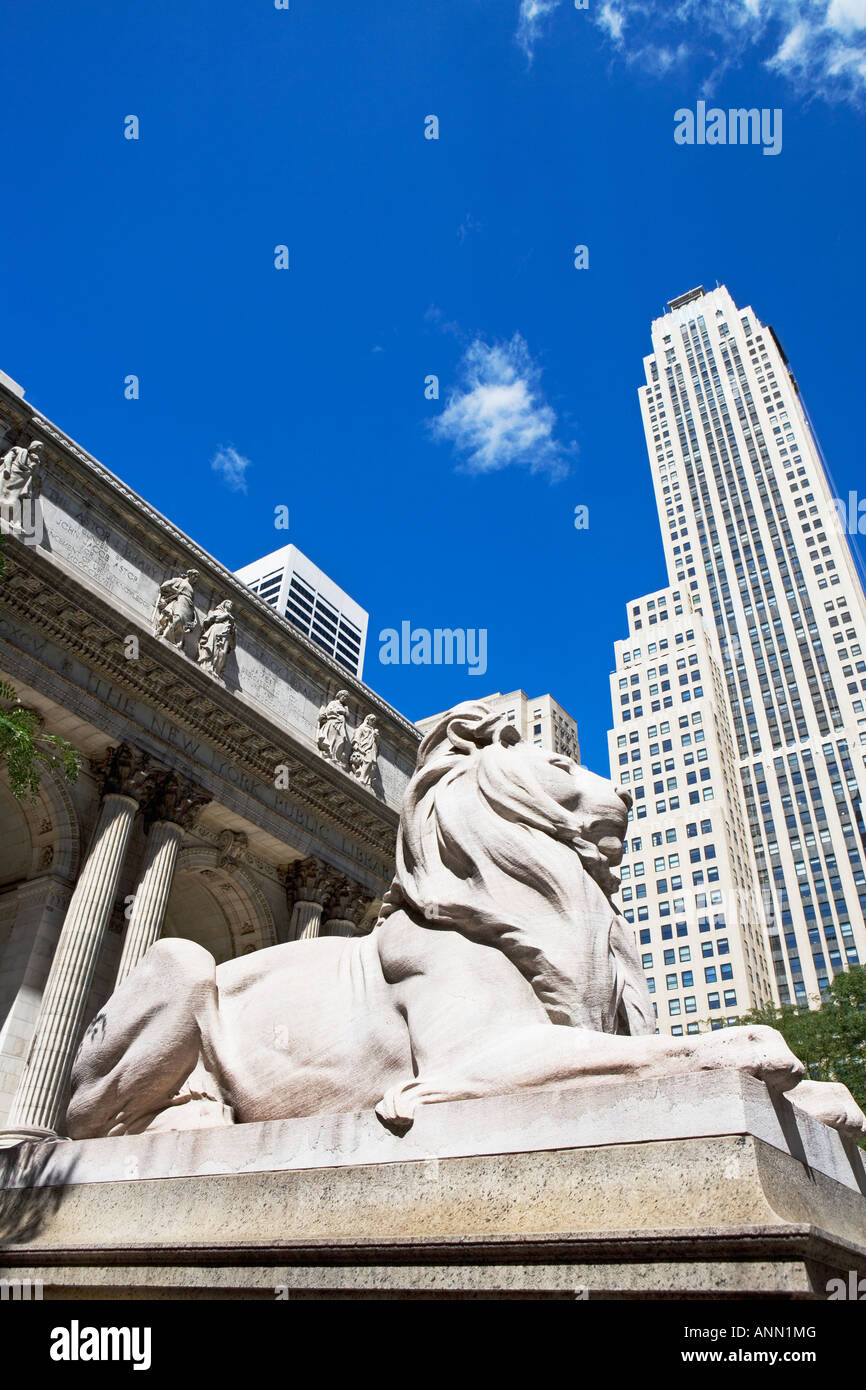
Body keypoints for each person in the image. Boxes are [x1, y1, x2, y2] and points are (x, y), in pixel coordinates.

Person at [153, 570, 199, 646]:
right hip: (179, 602)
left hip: (188, 607)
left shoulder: (191, 589)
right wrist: (176, 591)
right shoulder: (179, 580)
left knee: (182, 624)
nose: (196, 579)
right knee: (177, 618)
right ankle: (165, 635)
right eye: (195, 576)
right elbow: (164, 585)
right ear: (190, 574)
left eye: (197, 577)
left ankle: (174, 639)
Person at [197, 599, 236, 680]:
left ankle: (216, 670)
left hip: (225, 637)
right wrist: (226, 615)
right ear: (224, 603)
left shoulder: (232, 618)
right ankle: (208, 665)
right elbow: (215, 619)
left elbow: (233, 634)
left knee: (222, 653)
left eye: (232, 604)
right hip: (216, 630)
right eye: (229, 603)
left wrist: (232, 624)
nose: (230, 605)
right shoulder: (219, 611)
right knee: (213, 648)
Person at [317, 689, 350, 766]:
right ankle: (329, 753)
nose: (344, 698)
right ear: (339, 695)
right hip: (333, 723)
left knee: (342, 739)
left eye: (346, 697)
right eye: (343, 696)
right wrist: (338, 711)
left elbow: (348, 718)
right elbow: (328, 712)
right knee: (332, 739)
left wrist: (345, 711)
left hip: (341, 726)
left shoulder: (345, 707)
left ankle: (336, 757)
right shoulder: (333, 703)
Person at [351, 713, 379, 788]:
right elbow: (357, 735)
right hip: (364, 747)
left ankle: (367, 780)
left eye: (374, 720)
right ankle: (361, 777)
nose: (373, 721)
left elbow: (377, 743)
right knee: (367, 761)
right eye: (371, 720)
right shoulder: (362, 727)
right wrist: (356, 744)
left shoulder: (373, 730)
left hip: (371, 748)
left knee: (372, 763)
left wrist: (376, 737)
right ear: (367, 719)